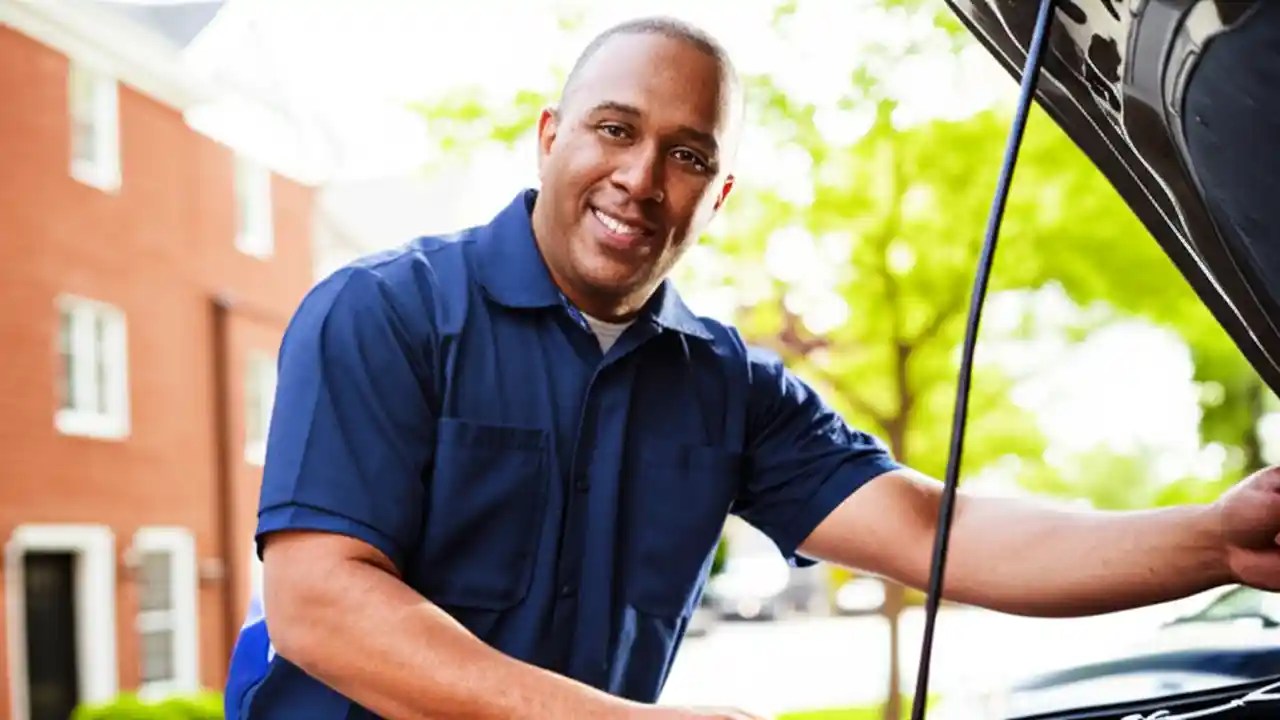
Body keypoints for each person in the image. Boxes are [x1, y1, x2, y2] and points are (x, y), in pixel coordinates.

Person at [224, 15, 1280, 720]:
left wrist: (1215, 542)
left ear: (716, 196)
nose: (641, 178)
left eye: (688, 155)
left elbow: (930, 530)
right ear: (549, 138)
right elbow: (322, 604)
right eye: (613, 130)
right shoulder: (386, 313)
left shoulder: (724, 387)